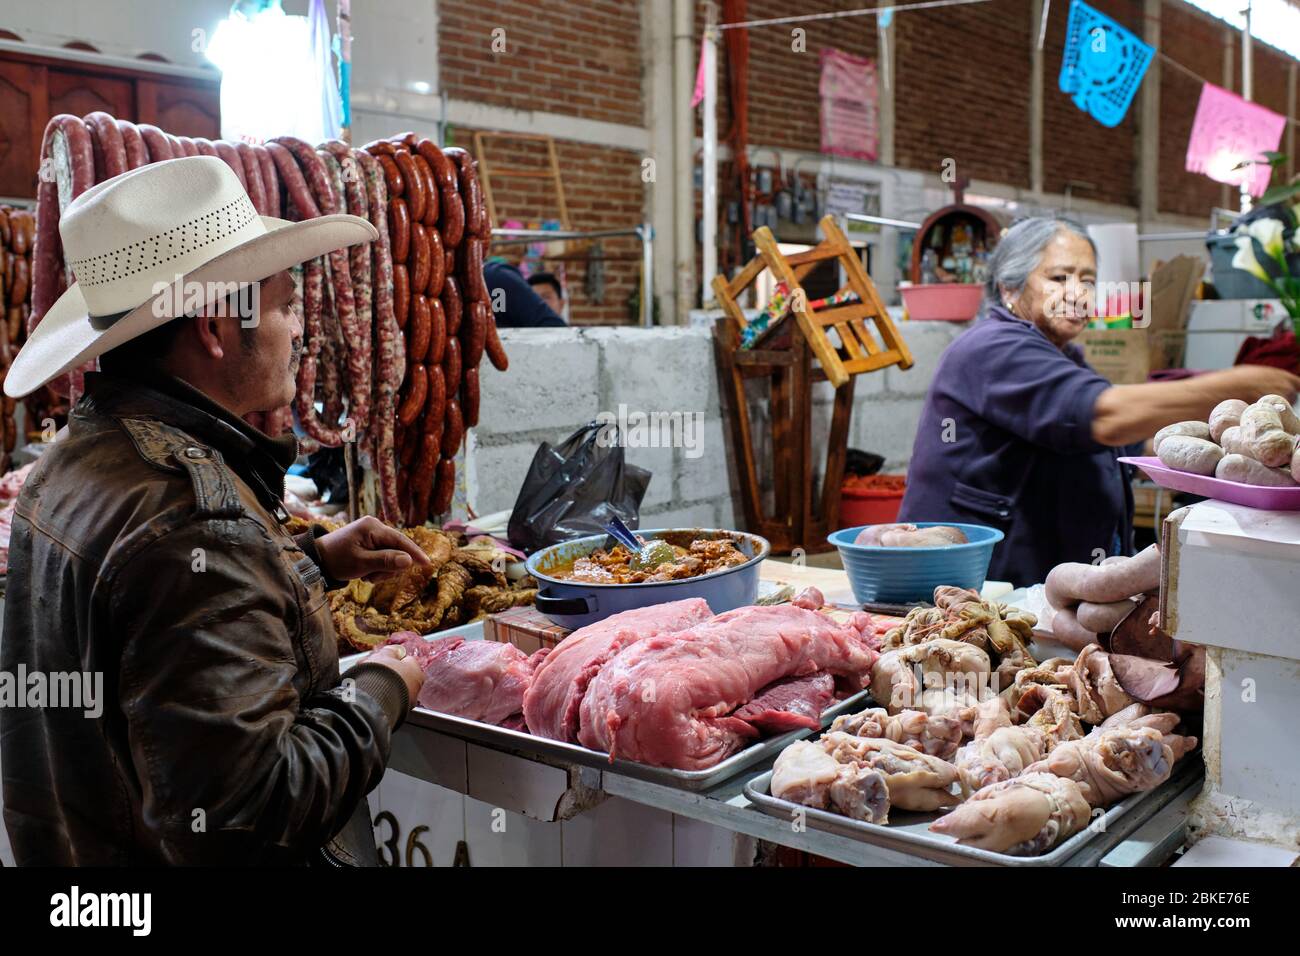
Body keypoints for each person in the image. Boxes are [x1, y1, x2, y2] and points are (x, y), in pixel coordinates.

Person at [0, 156, 429, 866]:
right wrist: (381, 687)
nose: (299, 330)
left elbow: (138, 637)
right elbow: (256, 806)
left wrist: (312, 564)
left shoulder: (70, 460)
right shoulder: (194, 521)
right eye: (286, 305)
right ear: (214, 326)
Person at [899, 216, 1300, 587]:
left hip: (1040, 583)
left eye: (1087, 280)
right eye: (1058, 277)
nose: (1077, 293)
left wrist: (1241, 452)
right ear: (1009, 287)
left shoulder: (1063, 356)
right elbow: (1103, 416)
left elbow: (1127, 442)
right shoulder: (992, 348)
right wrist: (1236, 384)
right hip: (981, 587)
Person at [484, 258, 566, 327]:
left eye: (546, 297)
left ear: (561, 303)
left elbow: (554, 328)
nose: (543, 301)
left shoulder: (495, 279)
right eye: (537, 297)